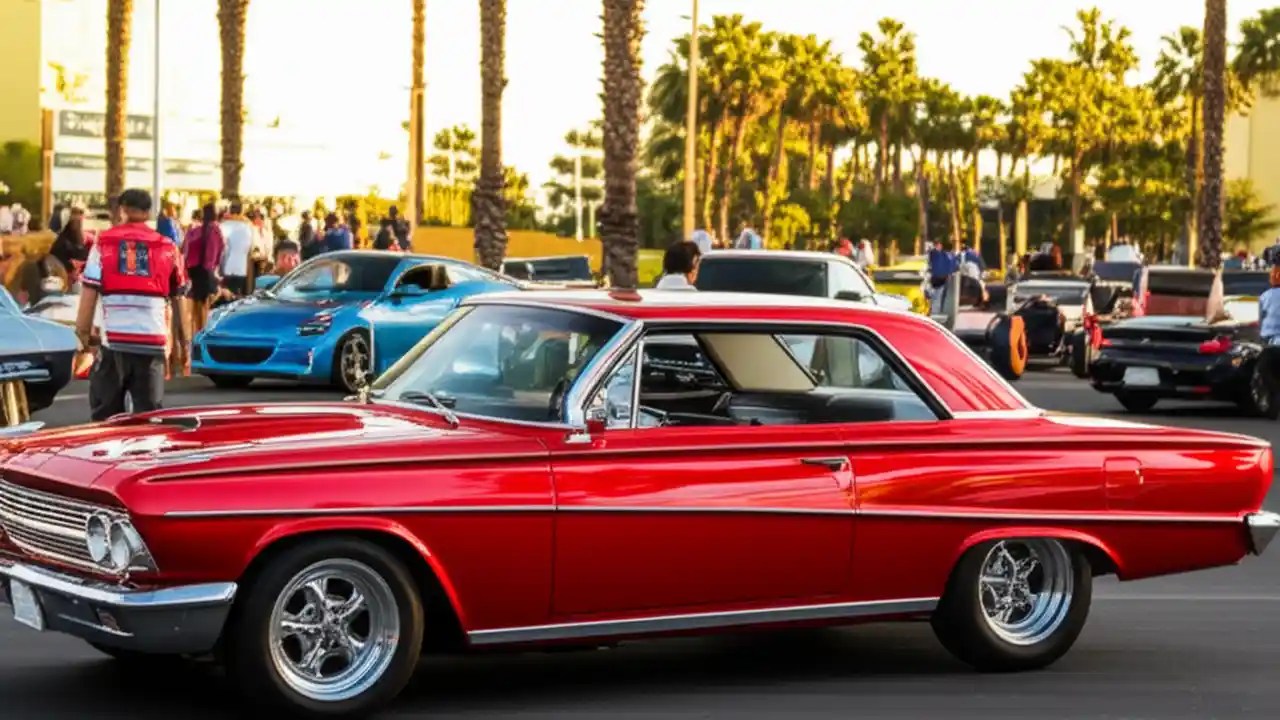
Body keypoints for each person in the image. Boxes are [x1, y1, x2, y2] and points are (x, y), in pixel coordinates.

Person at [75, 189, 187, 421]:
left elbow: (89, 293)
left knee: (105, 417)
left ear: (122, 210)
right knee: (149, 418)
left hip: (114, 343)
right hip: (152, 342)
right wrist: (184, 343)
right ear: (148, 213)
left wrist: (82, 337)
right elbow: (179, 298)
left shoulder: (103, 243)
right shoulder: (168, 247)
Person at [184, 203, 224, 334]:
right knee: (206, 303)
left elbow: (187, 247)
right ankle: (203, 331)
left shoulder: (196, 230)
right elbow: (218, 250)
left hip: (194, 268)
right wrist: (214, 267)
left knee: (197, 302)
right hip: (206, 269)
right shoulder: (215, 229)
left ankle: (195, 330)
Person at [219, 202, 253, 296]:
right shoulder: (247, 228)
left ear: (229, 211)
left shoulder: (223, 226)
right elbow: (249, 248)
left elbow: (220, 248)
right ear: (241, 212)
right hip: (241, 267)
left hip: (225, 267)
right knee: (236, 294)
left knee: (224, 295)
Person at [48, 207, 89, 280]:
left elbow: (82, 256)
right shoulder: (61, 241)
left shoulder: (76, 237)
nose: (78, 221)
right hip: (63, 275)